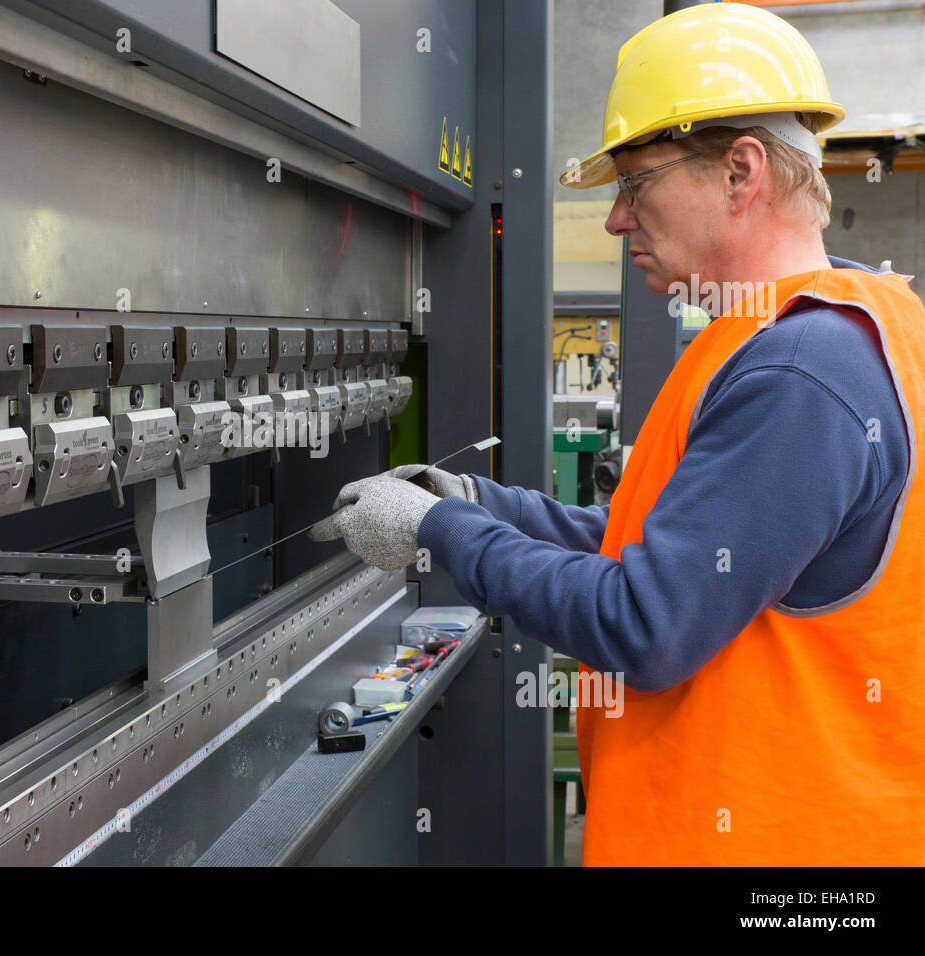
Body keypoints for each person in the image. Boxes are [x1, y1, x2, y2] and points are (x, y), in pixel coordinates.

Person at [310, 3, 925, 865]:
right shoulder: (837, 327)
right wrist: (484, 504)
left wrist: (434, 531)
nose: (616, 220)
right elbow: (688, 552)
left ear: (741, 172)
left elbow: (647, 623)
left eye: (636, 186)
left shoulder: (801, 372)